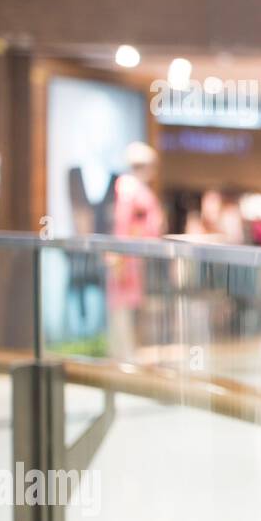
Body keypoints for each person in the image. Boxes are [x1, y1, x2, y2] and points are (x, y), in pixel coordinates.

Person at [107, 141, 164, 358]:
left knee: (127, 308)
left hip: (134, 258)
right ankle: (124, 354)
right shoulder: (130, 189)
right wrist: (119, 257)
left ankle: (128, 352)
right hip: (126, 259)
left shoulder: (133, 188)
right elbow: (124, 226)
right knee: (122, 309)